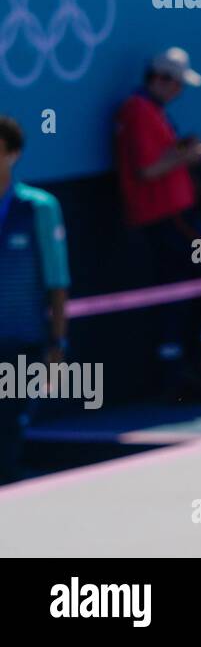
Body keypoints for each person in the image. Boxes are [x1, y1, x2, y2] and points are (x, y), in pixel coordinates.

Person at [113, 47, 201, 397]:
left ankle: (177, 374)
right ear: (160, 79)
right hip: (171, 218)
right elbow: (147, 170)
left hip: (167, 218)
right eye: (177, 84)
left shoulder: (148, 110)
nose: (180, 92)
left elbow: (156, 160)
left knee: (175, 296)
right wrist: (186, 156)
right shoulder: (139, 110)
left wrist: (180, 152)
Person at [0, 115, 70, 483]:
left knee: (10, 422)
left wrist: (57, 342)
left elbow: (57, 281)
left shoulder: (39, 208)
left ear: (13, 154)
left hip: (23, 339)